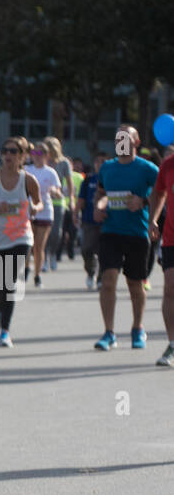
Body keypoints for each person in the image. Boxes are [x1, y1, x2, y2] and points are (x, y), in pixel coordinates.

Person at [92, 125, 160, 351]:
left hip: (137, 232)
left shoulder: (147, 169)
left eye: (126, 138)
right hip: (111, 231)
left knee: (134, 284)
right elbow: (101, 194)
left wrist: (143, 201)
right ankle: (109, 332)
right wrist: (99, 207)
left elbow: (164, 192)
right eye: (118, 138)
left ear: (136, 142)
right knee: (108, 280)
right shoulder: (108, 168)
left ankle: (137, 328)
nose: (121, 142)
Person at [0, 135, 41, 347]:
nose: (7, 155)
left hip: (21, 237)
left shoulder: (28, 180)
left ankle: (5, 331)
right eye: (5, 151)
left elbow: (39, 203)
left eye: (13, 151)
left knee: (10, 282)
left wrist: (35, 208)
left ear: (22, 156)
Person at [149, 146, 174, 366]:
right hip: (171, 237)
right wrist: (153, 219)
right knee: (170, 286)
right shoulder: (168, 164)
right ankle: (172, 344)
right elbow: (158, 192)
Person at [24, 142, 62, 286]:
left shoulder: (50, 172)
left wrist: (54, 192)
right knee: (29, 244)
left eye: (40, 154)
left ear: (47, 156)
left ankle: (37, 274)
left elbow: (58, 192)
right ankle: (27, 268)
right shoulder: (27, 169)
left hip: (45, 211)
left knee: (39, 246)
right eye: (34, 153)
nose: (36, 157)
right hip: (29, 211)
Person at [77, 152, 106, 290]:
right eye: (98, 161)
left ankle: (101, 277)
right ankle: (90, 272)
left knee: (103, 252)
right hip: (89, 220)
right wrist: (76, 213)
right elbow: (81, 199)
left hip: (107, 221)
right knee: (86, 249)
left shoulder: (111, 179)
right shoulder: (88, 180)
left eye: (103, 161)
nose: (100, 164)